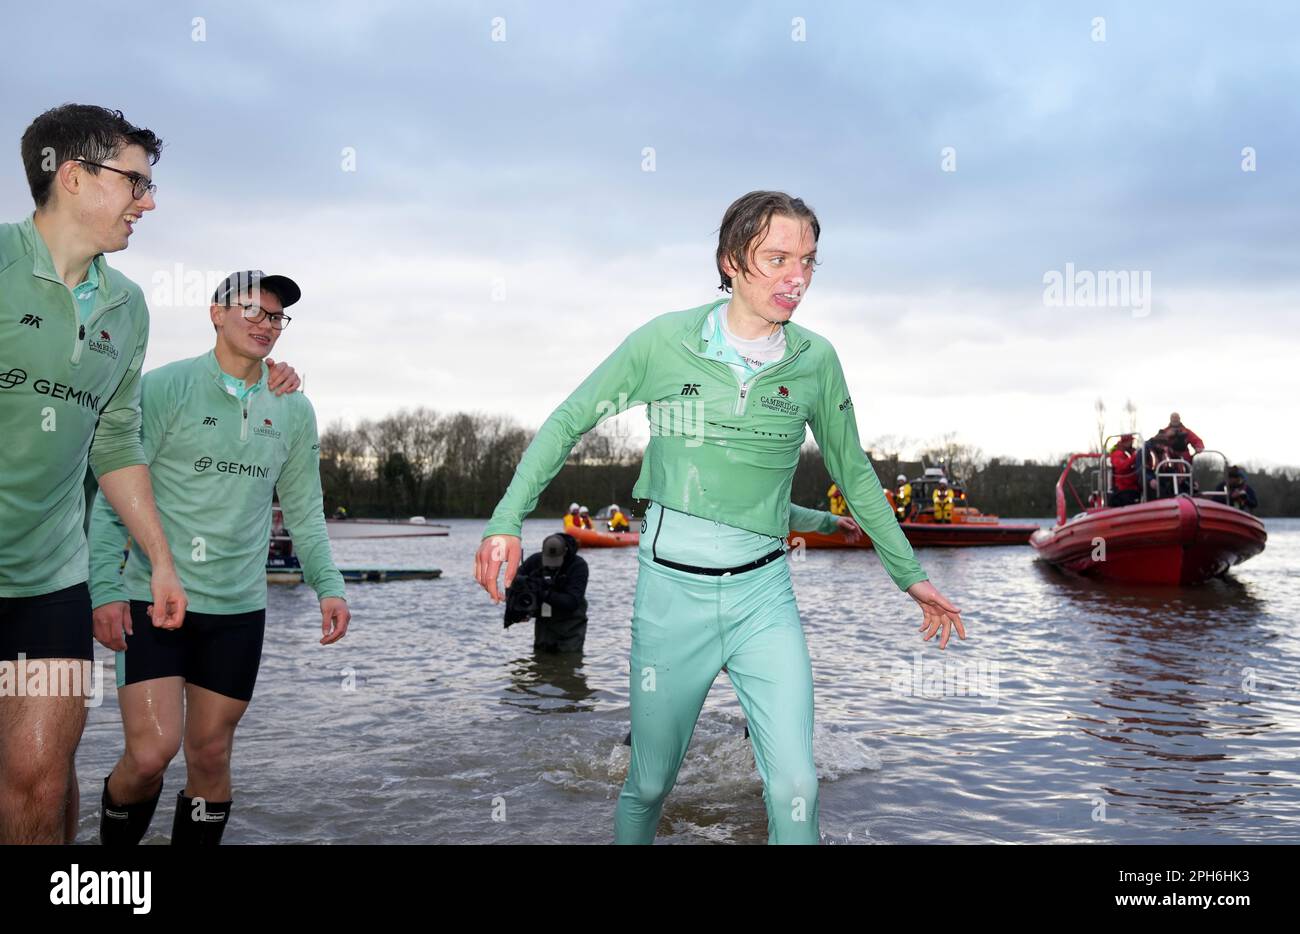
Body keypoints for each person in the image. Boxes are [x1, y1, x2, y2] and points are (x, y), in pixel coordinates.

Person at [474, 190, 964, 845]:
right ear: (732, 261)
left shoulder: (816, 361)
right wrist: (506, 518)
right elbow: (569, 421)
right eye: (778, 258)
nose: (798, 277)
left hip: (765, 597)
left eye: (810, 262)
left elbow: (855, 475)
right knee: (649, 785)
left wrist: (910, 575)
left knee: (796, 787)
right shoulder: (663, 342)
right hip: (672, 596)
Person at [88, 270, 349, 846]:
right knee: (151, 753)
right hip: (154, 598)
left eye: (276, 317)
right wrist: (104, 588)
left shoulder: (293, 409)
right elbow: (116, 492)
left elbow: (305, 510)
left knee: (210, 754)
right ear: (216, 313)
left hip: (237, 608)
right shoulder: (162, 388)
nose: (266, 325)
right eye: (252, 310)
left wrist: (329, 585)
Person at [0, 104, 191, 845]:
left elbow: (116, 444)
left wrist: (161, 559)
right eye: (135, 181)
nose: (149, 201)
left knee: (42, 781)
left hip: (50, 581)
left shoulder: (129, 309)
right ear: (72, 176)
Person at [503, 533, 589, 652]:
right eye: (549, 561)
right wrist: (518, 608)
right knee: (541, 659)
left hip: (570, 625)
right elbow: (512, 584)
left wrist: (543, 593)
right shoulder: (534, 561)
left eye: (556, 561)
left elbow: (572, 602)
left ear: (565, 552)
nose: (552, 566)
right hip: (544, 623)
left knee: (568, 661)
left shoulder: (578, 566)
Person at [1107, 434, 1141, 507]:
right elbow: (1122, 466)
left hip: (1131, 486)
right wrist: (1134, 456)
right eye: (1131, 442)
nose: (1132, 444)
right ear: (1125, 442)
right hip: (1124, 488)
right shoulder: (1117, 454)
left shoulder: (1125, 453)